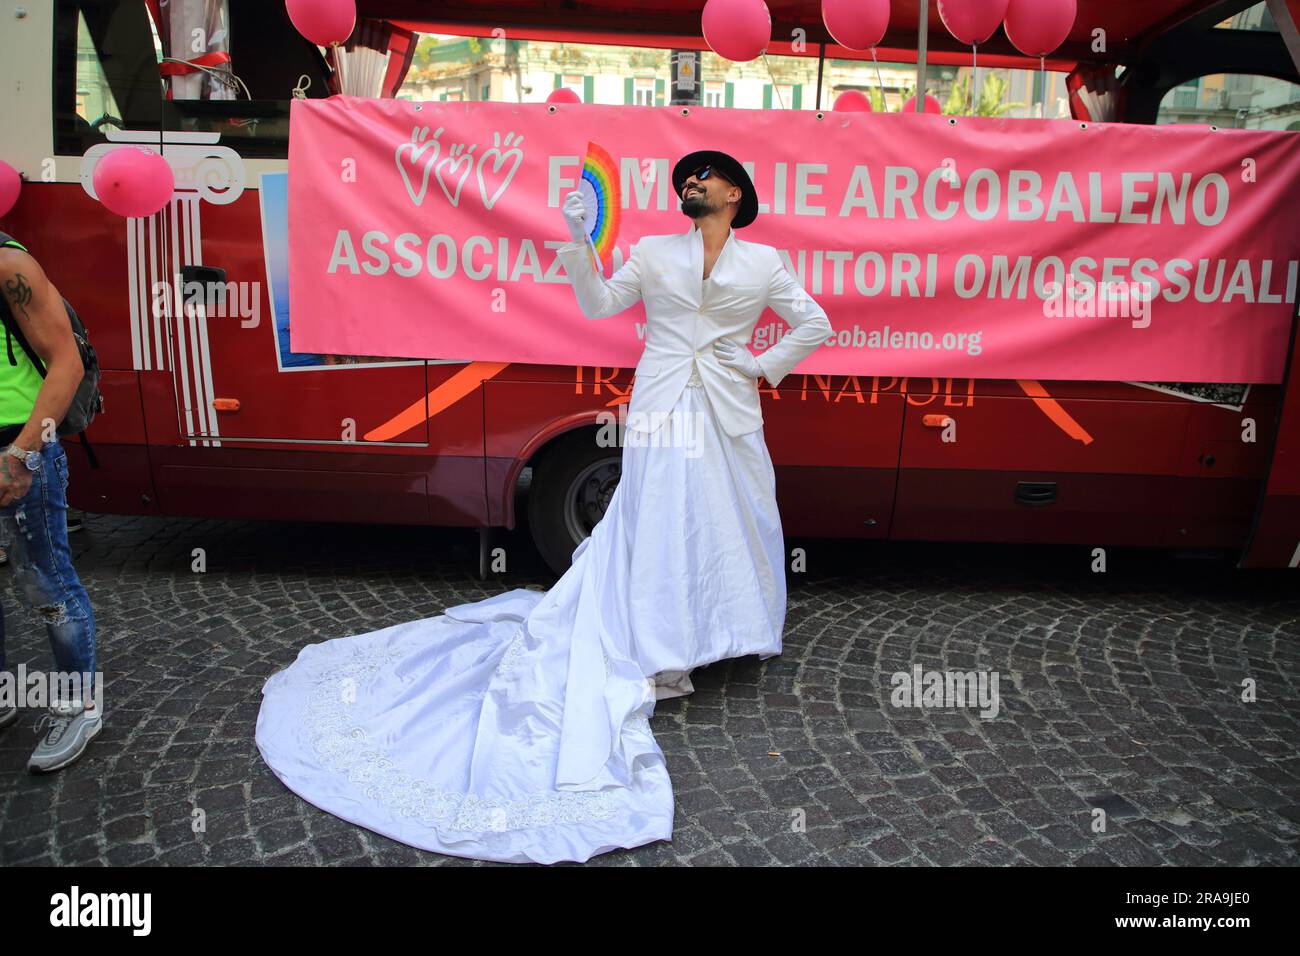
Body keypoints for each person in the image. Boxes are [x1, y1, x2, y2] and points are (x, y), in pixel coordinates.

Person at [255, 149, 832, 864]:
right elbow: (597, 304)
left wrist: (760, 363)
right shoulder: (654, 251)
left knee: (724, 521)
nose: (690, 183)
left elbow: (814, 323)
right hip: (658, 410)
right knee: (654, 525)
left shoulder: (765, 263)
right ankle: (657, 642)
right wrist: (578, 245)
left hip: (728, 411)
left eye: (704, 176)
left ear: (735, 193)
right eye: (683, 175)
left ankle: (711, 629)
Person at [0, 234, 101, 772]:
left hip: (17, 447)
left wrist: (20, 455)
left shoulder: (11, 266)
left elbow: (66, 364)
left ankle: (78, 707)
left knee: (47, 583)